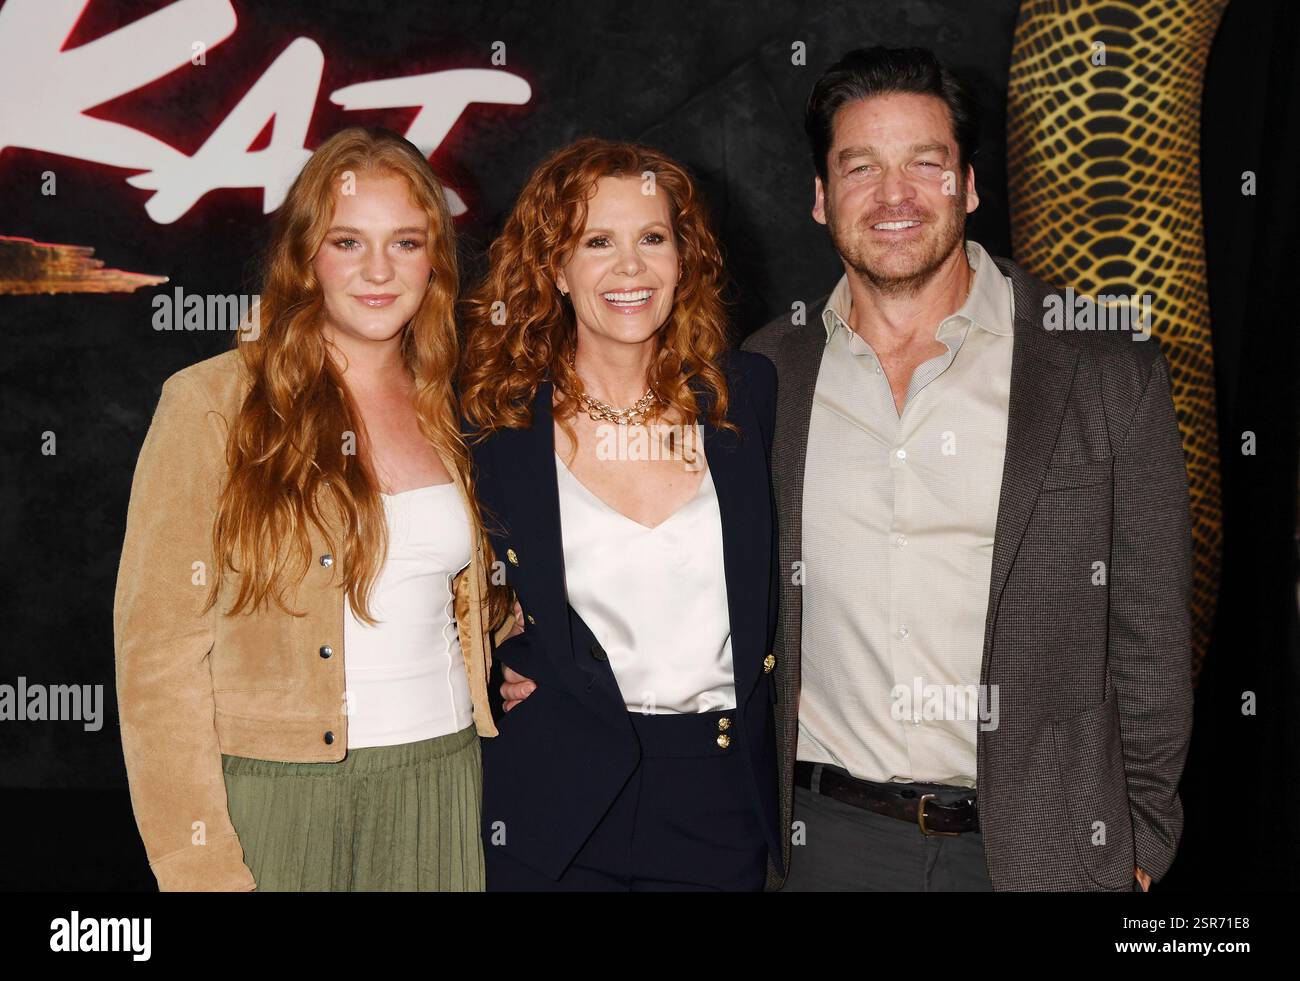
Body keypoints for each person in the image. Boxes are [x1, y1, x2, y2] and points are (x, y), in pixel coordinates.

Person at [741, 46, 1193, 892]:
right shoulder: (764, 375)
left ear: (970, 184)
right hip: (822, 844)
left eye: (926, 163)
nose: (894, 195)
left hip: (1045, 849)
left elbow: (1153, 638)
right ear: (820, 196)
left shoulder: (1102, 370)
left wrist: (1140, 842)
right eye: (860, 167)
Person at [113, 127, 513, 892]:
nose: (377, 270)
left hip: (440, 775)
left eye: (404, 242)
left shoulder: (458, 402)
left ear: (434, 260)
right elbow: (156, 663)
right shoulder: (210, 405)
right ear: (306, 255)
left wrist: (512, 628)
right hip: (279, 794)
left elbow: (443, 590)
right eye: (347, 241)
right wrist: (197, 866)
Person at [459, 137, 781, 890]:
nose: (630, 267)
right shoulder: (496, 424)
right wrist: (488, 651)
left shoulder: (750, 395)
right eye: (596, 242)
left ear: (683, 258)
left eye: (653, 238)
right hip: (552, 804)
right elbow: (432, 573)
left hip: (719, 803)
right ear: (555, 270)